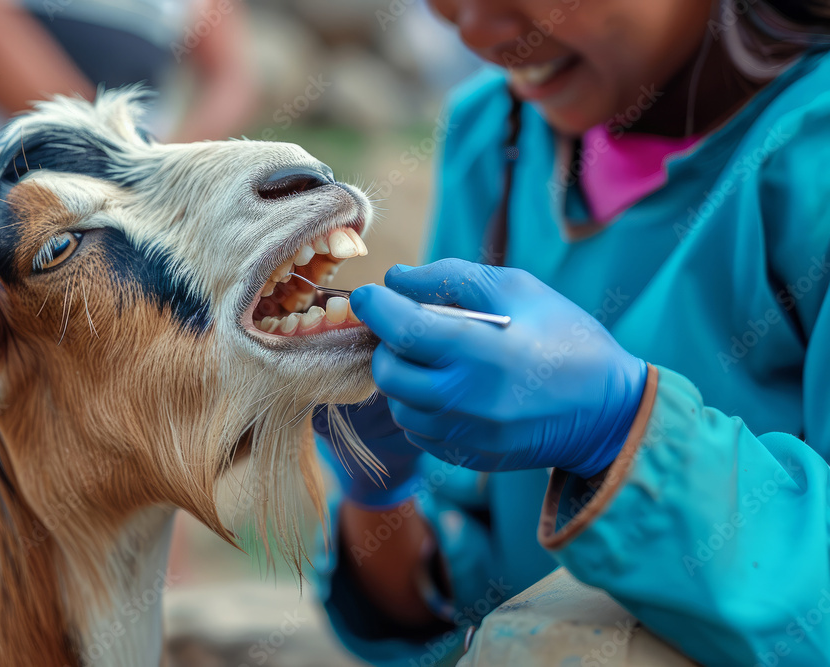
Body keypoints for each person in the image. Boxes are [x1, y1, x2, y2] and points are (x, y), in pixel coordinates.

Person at [315, 1, 830, 665]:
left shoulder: (808, 161)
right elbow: (468, 599)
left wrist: (626, 435)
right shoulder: (494, 136)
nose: (472, 30)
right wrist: (381, 492)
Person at [0, 0, 257, 480]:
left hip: (139, 175)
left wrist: (170, 163)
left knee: (144, 370)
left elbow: (233, 74)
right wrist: (121, 158)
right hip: (3, 164)